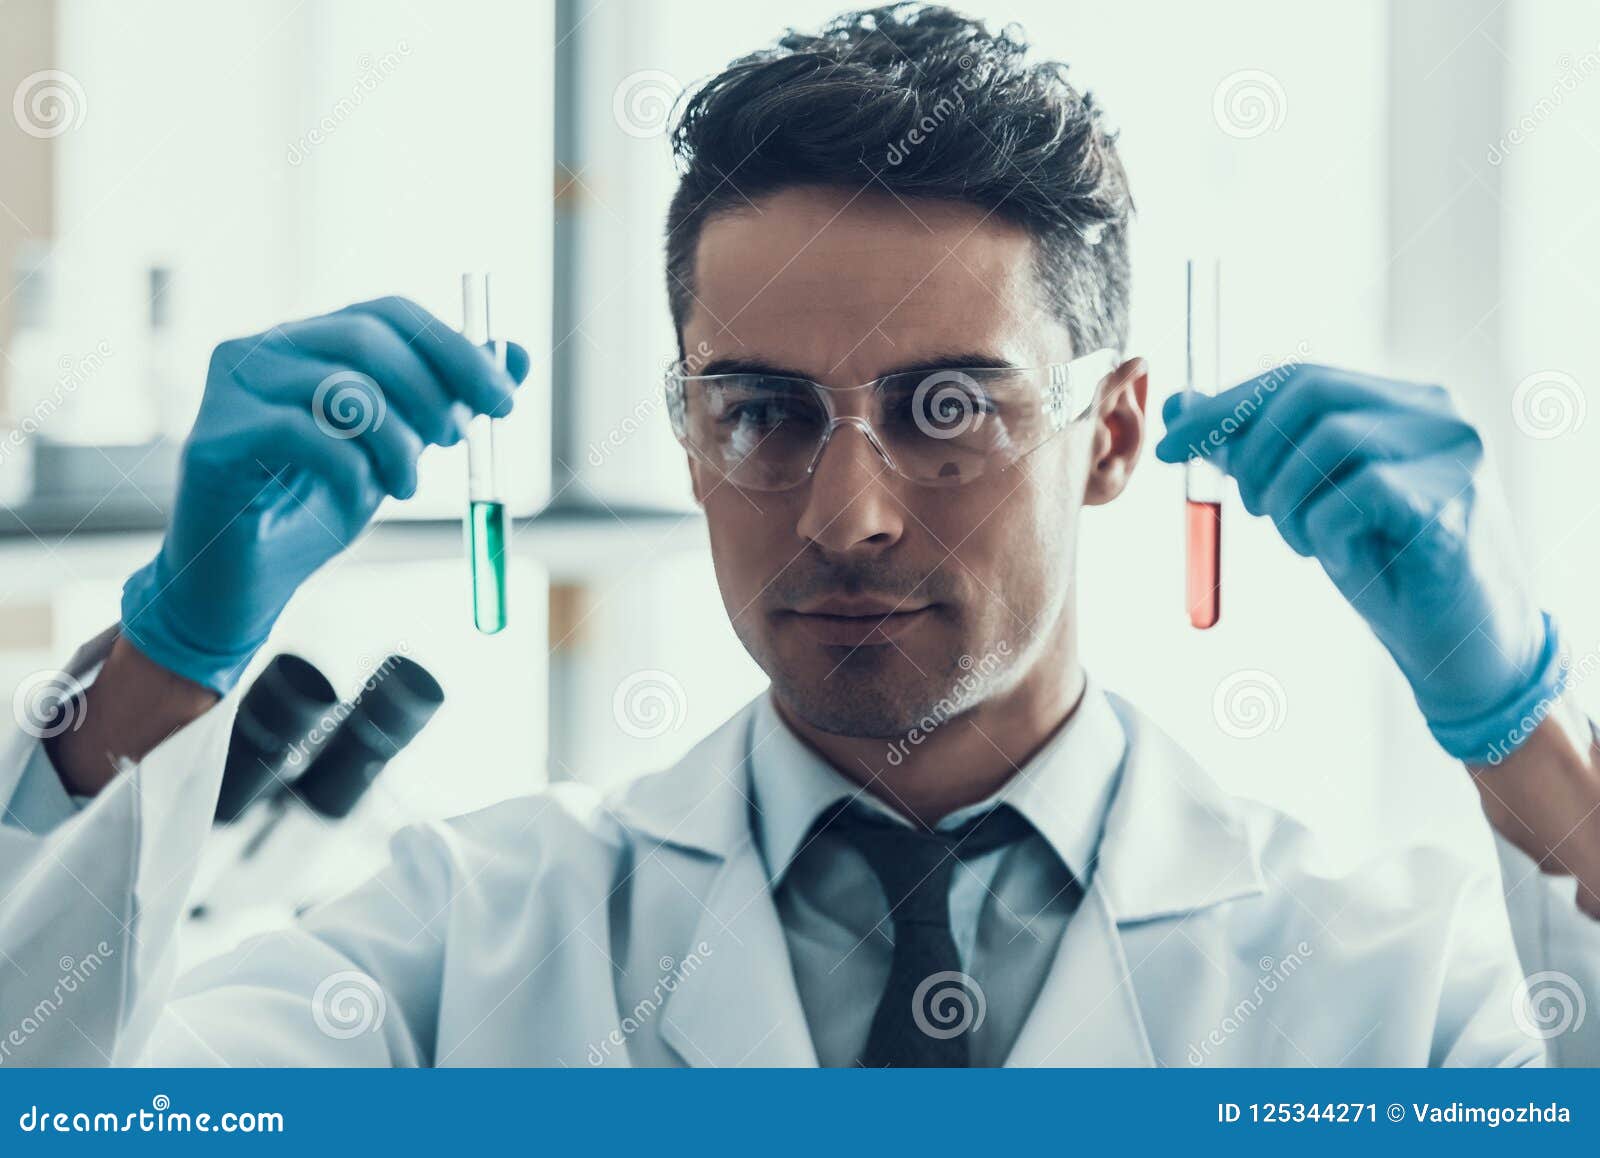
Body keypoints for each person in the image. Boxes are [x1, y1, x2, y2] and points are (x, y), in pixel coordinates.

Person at [2, 3, 1598, 1068]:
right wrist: (163, 657)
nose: (847, 516)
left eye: (949, 409)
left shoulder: (1384, 985)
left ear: (1112, 433)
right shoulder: (462, 945)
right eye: (760, 411)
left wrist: (1530, 747)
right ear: (687, 434)